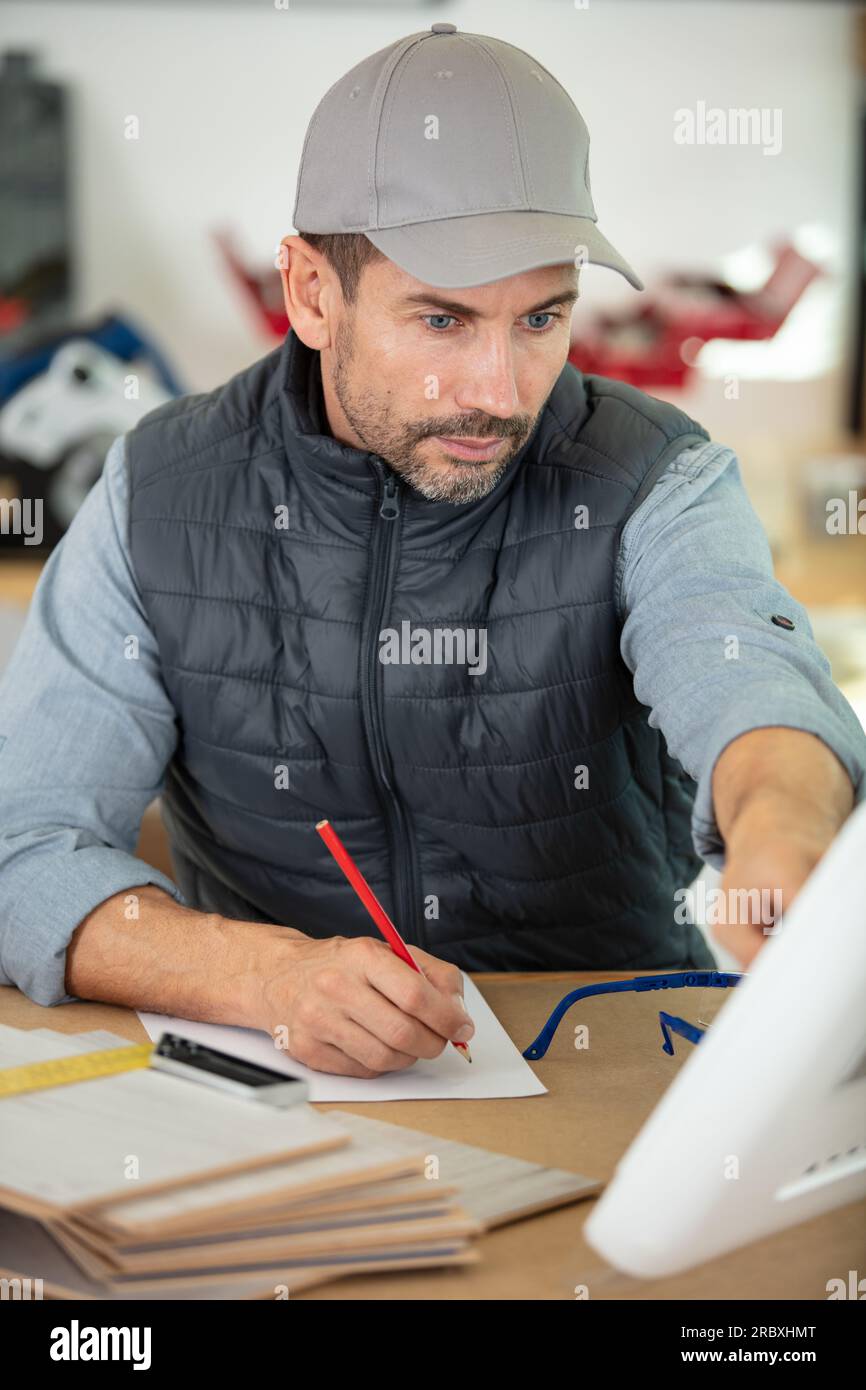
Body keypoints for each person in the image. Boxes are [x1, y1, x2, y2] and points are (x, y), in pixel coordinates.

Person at [0, 24, 863, 1078]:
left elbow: (752, 685)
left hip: (611, 1072)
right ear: (312, 293)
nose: (500, 394)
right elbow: (22, 855)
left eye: (541, 316)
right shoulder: (155, 491)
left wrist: (779, 822)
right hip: (276, 1089)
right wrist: (264, 976)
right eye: (442, 322)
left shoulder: (652, 476)